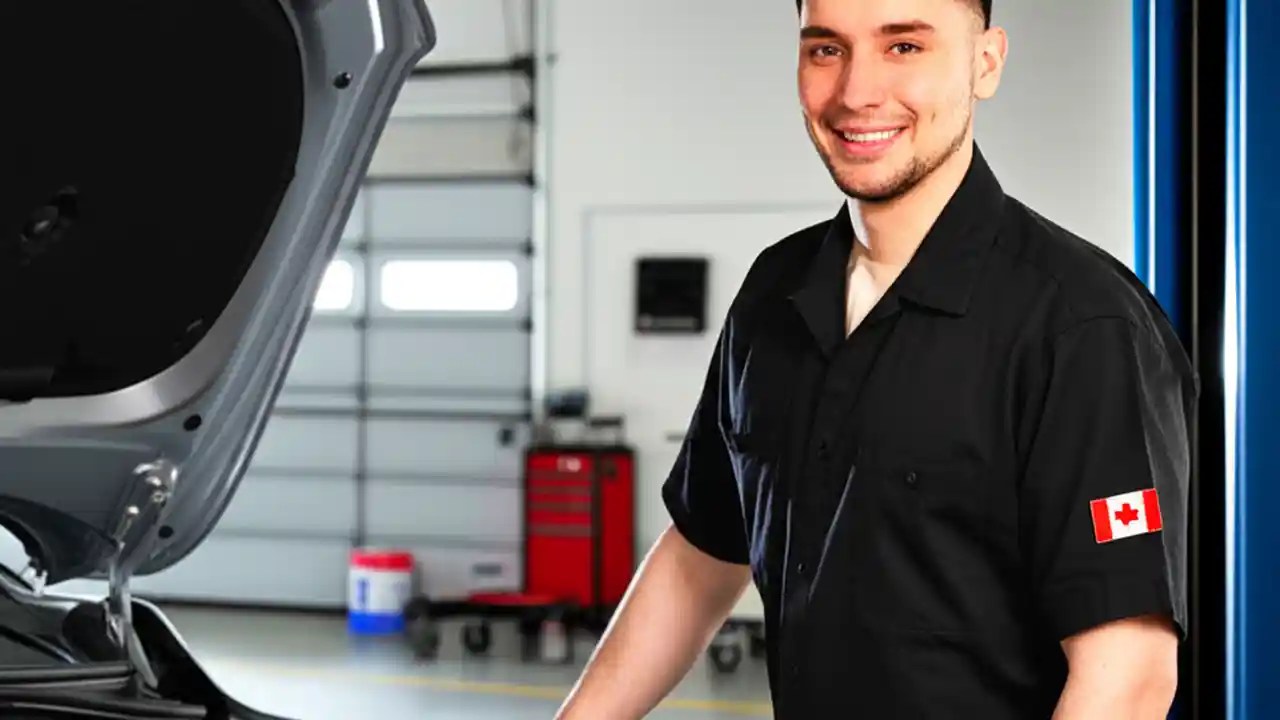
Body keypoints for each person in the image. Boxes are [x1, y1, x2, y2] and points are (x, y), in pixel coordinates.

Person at [555, 0, 1195, 716]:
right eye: (826, 50)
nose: (857, 92)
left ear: (985, 63)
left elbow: (1129, 676)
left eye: (904, 48)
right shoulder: (776, 295)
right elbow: (699, 556)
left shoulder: (1080, 325)